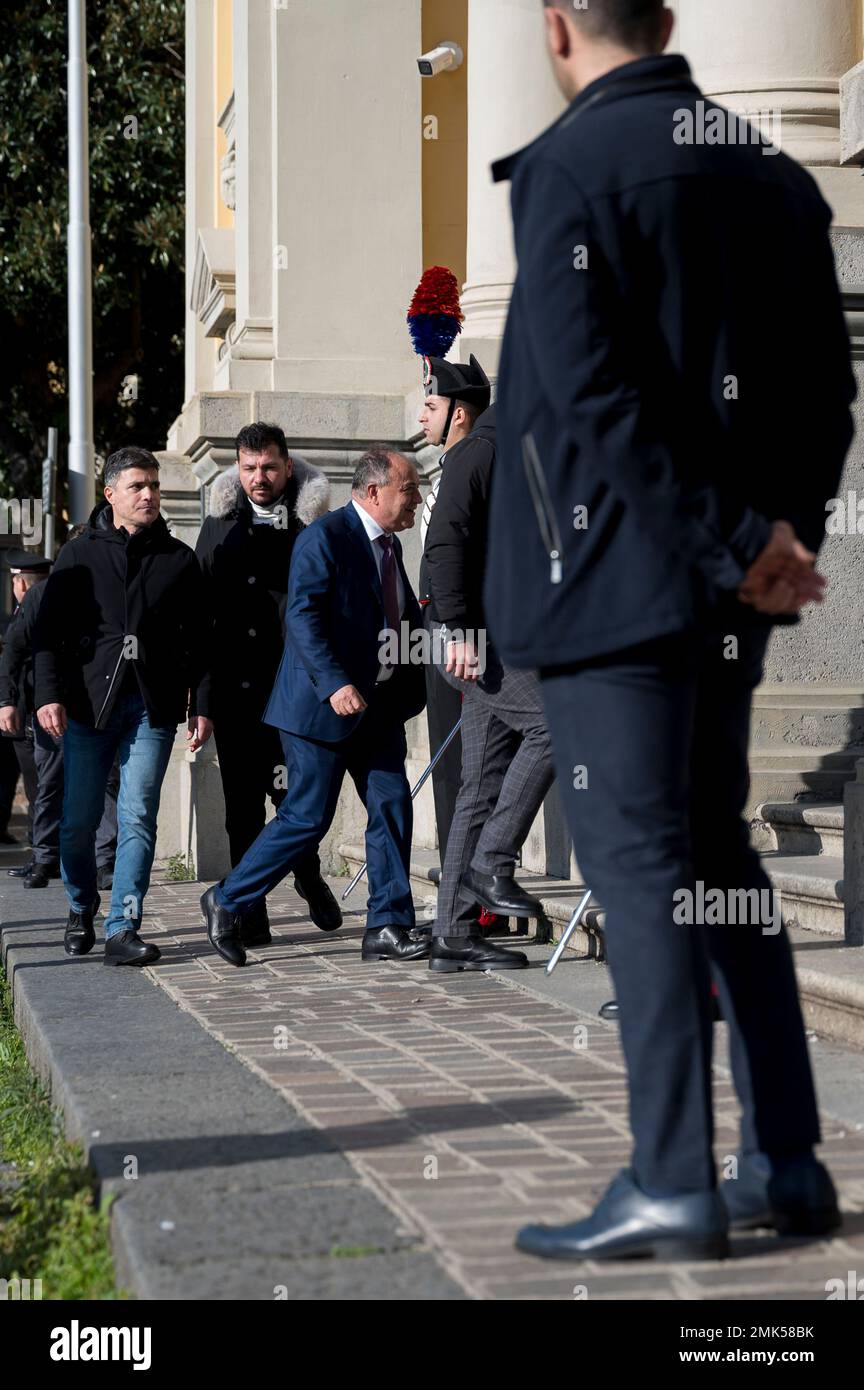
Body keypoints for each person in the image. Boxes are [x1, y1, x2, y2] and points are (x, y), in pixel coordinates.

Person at [487, 0, 856, 1260]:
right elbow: (828, 391)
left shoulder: (571, 166)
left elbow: (592, 391)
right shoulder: (774, 174)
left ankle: (670, 1178)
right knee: (717, 860)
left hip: (610, 584)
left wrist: (739, 540)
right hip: (724, 589)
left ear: (556, 28)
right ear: (666, 16)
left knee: (644, 869)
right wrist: (777, 539)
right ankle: (786, 1162)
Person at [200, 448, 430, 970]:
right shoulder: (324, 537)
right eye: (409, 489)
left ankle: (388, 925)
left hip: (377, 709)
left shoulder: (390, 545)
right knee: (306, 817)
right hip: (319, 708)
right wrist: (334, 683)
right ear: (374, 492)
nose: (417, 498)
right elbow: (302, 618)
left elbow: (399, 620)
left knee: (392, 806)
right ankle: (227, 899)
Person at [34, 447, 213, 967]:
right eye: (137, 486)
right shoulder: (78, 554)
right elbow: (47, 634)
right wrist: (47, 695)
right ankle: (80, 905)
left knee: (138, 816)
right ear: (110, 493)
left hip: (151, 709)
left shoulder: (178, 559)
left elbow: (201, 642)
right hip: (87, 707)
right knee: (77, 822)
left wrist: (201, 704)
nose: (149, 495)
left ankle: (122, 926)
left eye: (154, 485)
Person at [421, 359, 556, 972]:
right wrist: (456, 628)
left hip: (500, 637)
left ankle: (452, 934)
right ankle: (492, 863)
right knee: (554, 725)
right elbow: (444, 542)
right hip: (475, 639)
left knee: (478, 786)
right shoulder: (483, 449)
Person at [196, 422, 340, 947]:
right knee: (242, 809)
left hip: (294, 691)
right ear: (238, 468)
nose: (259, 477)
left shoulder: (313, 525)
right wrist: (201, 700)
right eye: (249, 467)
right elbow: (202, 619)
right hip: (236, 695)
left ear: (287, 466)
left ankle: (308, 874)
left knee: (295, 800)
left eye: (269, 467)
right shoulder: (218, 525)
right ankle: (248, 913)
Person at [1, 538, 120, 890]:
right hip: (53, 707)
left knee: (107, 784)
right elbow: (16, 651)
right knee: (50, 783)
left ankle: (105, 861)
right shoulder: (44, 595)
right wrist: (9, 701)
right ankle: (46, 857)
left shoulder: (113, 591)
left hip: (98, 705)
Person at [0, 551, 60, 885]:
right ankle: (42, 853)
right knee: (42, 784)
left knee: (41, 785)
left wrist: (7, 702)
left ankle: (44, 855)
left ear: (21, 584)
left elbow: (12, 656)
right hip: (37, 708)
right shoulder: (44, 603)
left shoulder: (31, 606)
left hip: (32, 710)